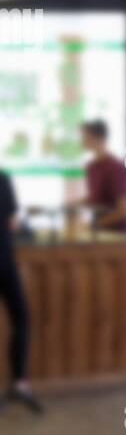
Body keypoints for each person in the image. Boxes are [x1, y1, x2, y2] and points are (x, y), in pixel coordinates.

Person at [0, 170, 41, 412]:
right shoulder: (3, 178)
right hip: (4, 262)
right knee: (21, 318)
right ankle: (20, 383)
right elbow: (13, 224)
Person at [80, 120, 126, 233]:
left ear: (100, 138)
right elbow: (96, 198)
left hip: (117, 237)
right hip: (99, 234)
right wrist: (69, 206)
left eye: (85, 136)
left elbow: (124, 211)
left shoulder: (116, 168)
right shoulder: (91, 167)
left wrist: (92, 225)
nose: (82, 140)